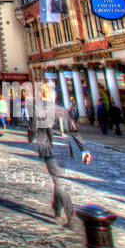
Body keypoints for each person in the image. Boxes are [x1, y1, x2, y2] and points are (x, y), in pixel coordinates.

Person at [28, 81, 91, 228]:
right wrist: (83, 148)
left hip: (48, 147)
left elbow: (32, 128)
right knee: (59, 178)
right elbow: (73, 130)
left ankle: (71, 216)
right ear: (52, 95)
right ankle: (56, 207)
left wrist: (30, 138)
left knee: (60, 181)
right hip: (64, 148)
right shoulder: (62, 110)